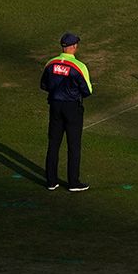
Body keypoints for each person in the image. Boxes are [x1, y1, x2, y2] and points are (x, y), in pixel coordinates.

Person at [40, 32, 92, 192]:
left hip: (55, 106)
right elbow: (87, 90)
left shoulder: (50, 63)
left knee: (54, 144)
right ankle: (73, 182)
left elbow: (43, 85)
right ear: (74, 46)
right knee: (73, 145)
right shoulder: (79, 67)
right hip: (72, 108)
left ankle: (51, 181)